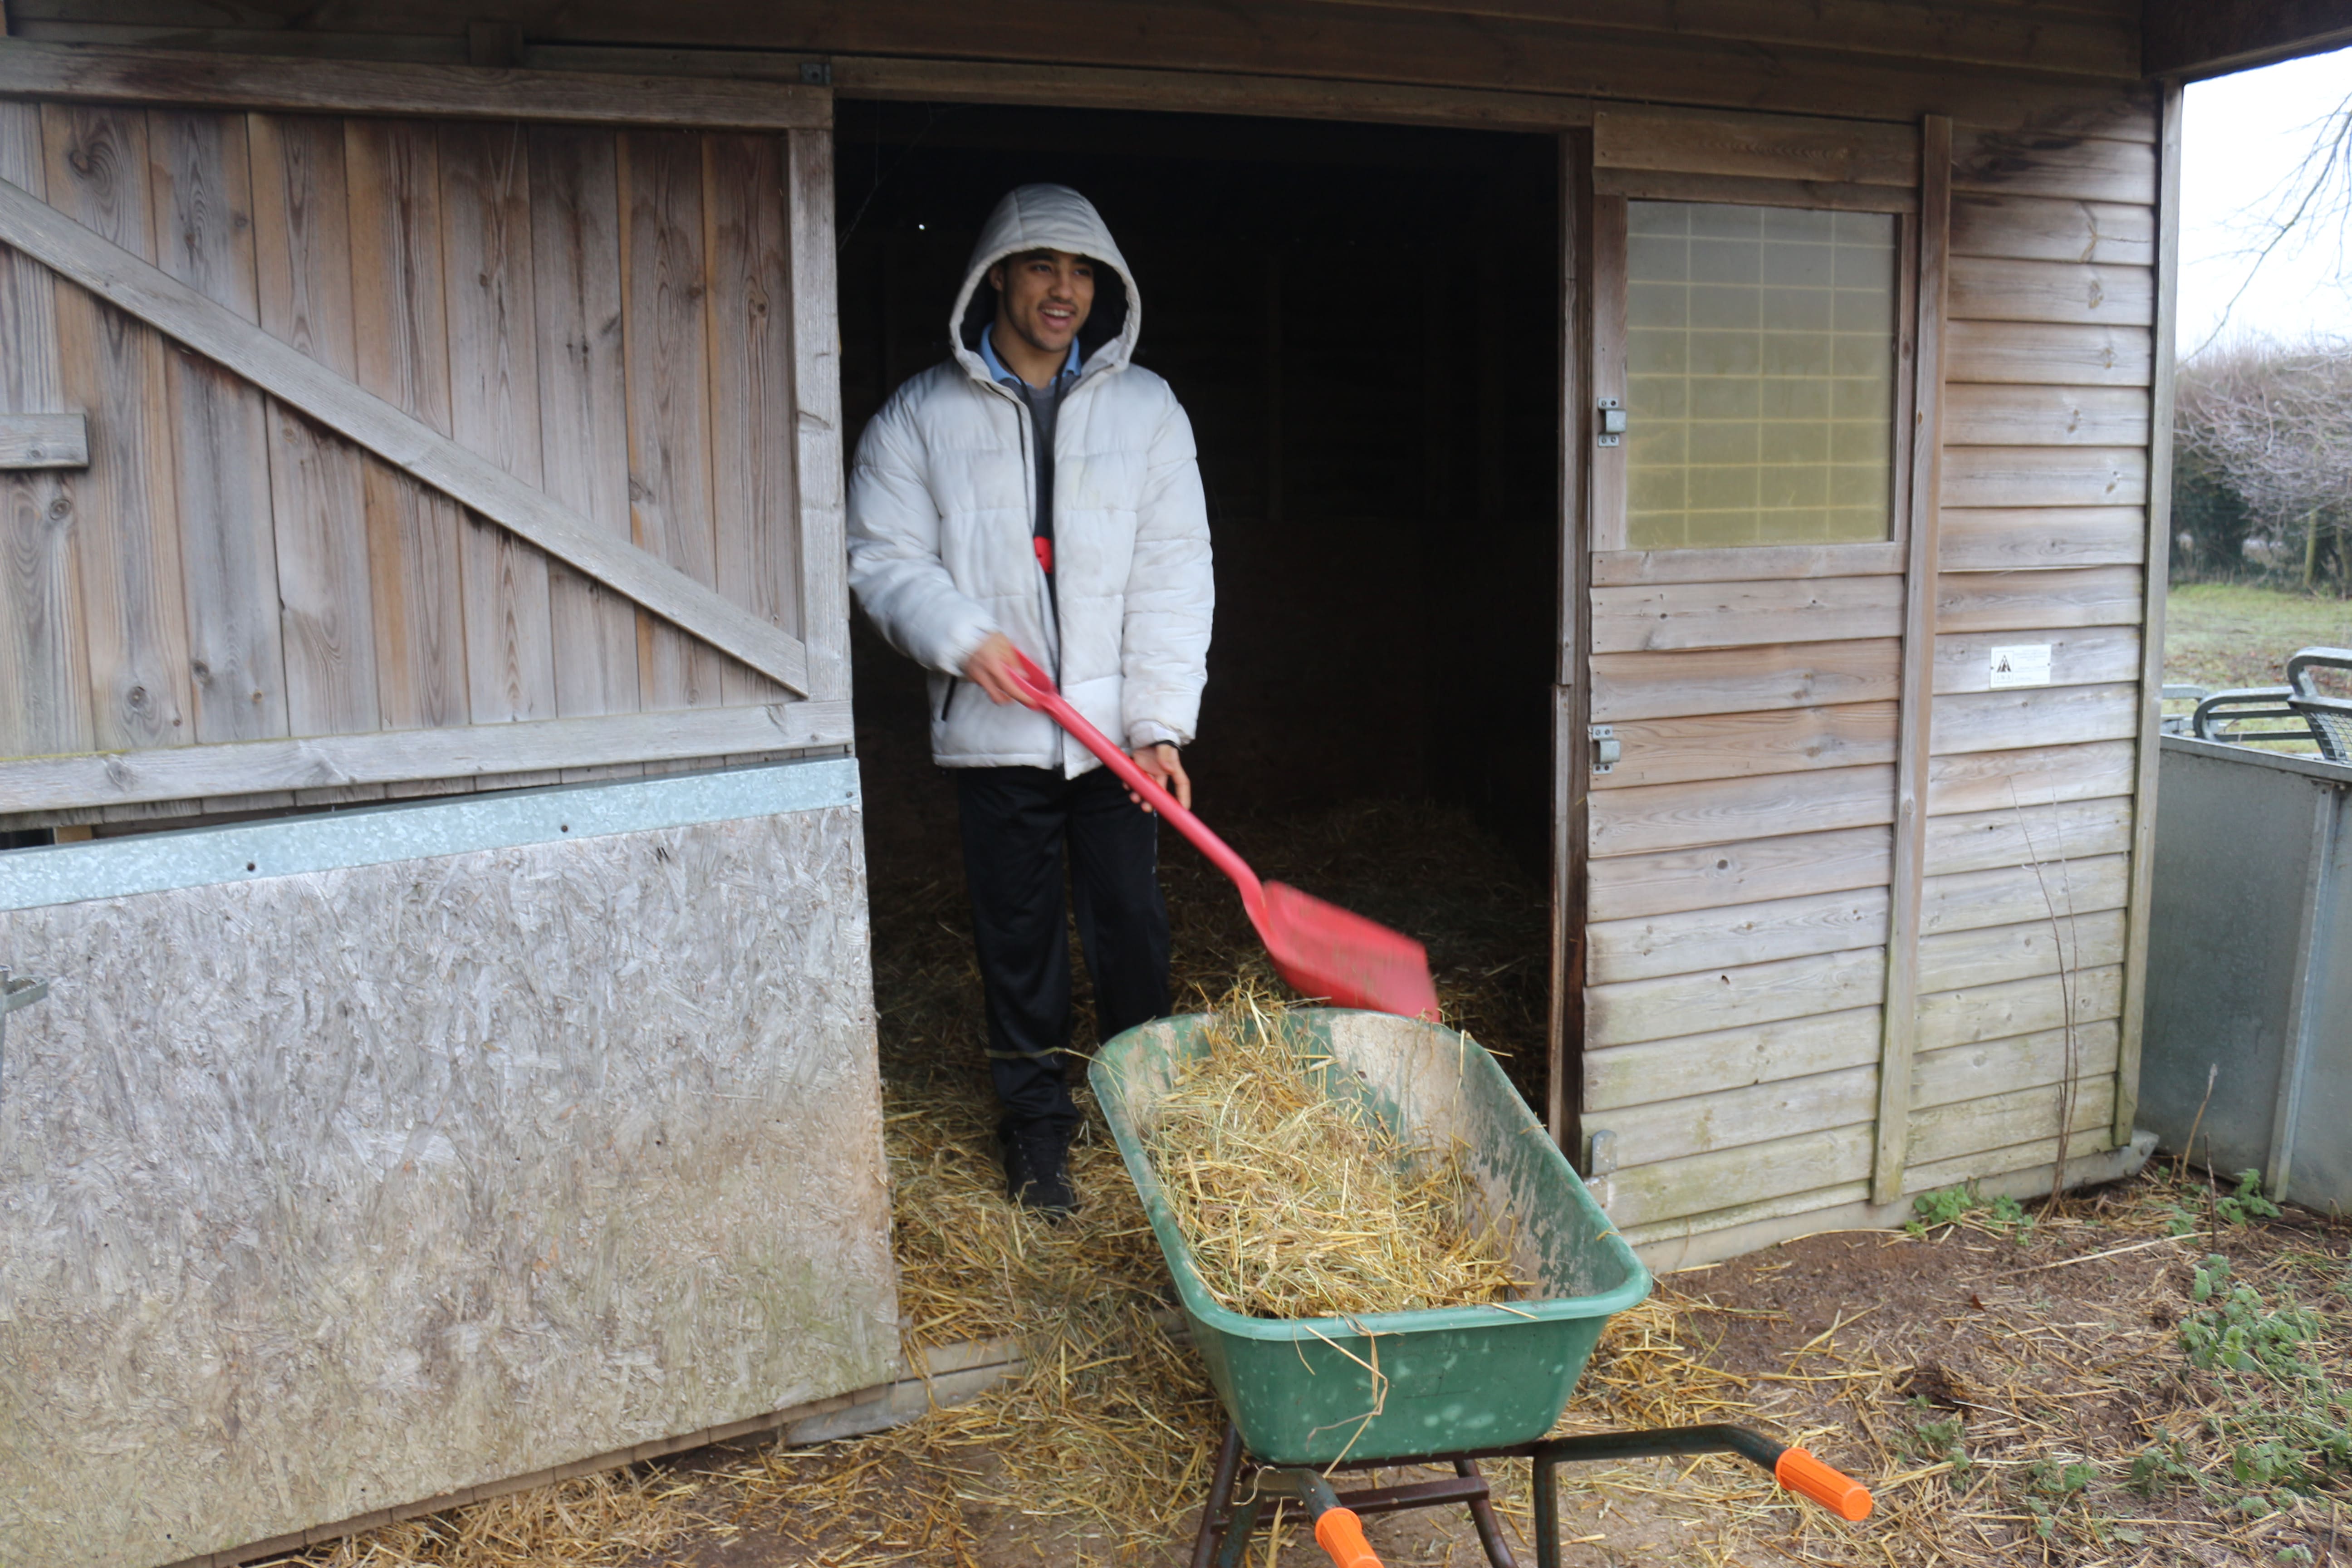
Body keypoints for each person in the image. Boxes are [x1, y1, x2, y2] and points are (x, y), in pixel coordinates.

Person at [847, 184, 1214, 1217]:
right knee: (1019, 941)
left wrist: (1158, 726)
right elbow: (881, 559)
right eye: (1044, 267)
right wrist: (963, 638)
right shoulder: (921, 415)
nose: (1065, 291)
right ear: (997, 275)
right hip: (999, 734)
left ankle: (1153, 1119)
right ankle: (1038, 1137)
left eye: (1084, 272)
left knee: (1133, 929)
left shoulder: (1149, 411)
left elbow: (1175, 572)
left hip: (1113, 743)